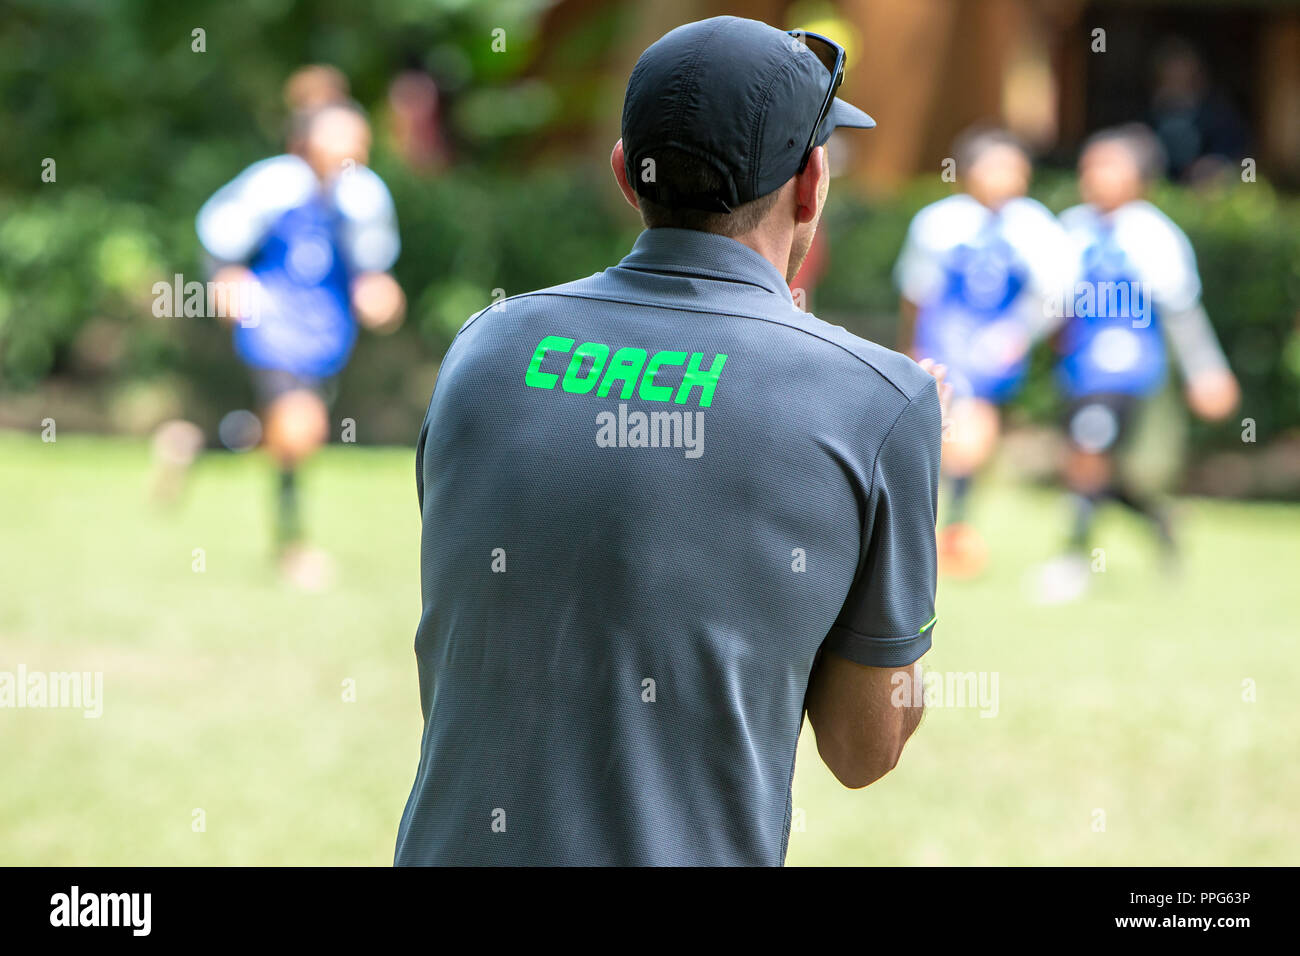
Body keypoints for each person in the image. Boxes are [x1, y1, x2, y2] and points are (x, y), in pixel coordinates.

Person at [395, 16, 949, 866]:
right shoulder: (877, 400)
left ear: (625, 173)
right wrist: (900, 485)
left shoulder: (486, 347)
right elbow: (862, 749)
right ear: (810, 185)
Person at [196, 95, 405, 588]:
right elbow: (220, 237)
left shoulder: (365, 196)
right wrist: (226, 277)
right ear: (303, 144)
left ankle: (197, 443)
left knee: (290, 433)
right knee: (300, 426)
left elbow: (372, 265)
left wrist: (378, 289)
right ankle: (293, 547)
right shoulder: (273, 185)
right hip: (272, 317)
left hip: (324, 328)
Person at [1034, 124, 1239, 604]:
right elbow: (1049, 303)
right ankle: (1158, 518)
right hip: (1079, 369)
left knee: (1090, 444)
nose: (1094, 176)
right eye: (1089, 166)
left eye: (1109, 166)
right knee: (1091, 468)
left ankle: (1073, 558)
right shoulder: (1073, 229)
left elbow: (1182, 312)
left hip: (1128, 370)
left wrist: (1207, 371)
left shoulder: (1155, 236)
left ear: (1140, 178)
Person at [894, 127, 1071, 577]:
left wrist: (1020, 333)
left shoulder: (1035, 226)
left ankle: (953, 528)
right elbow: (917, 293)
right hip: (944, 340)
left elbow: (1055, 296)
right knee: (945, 437)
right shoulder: (937, 223)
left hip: (995, 349)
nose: (1007, 178)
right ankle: (939, 530)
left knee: (971, 438)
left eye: (1015, 168)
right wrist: (909, 347)